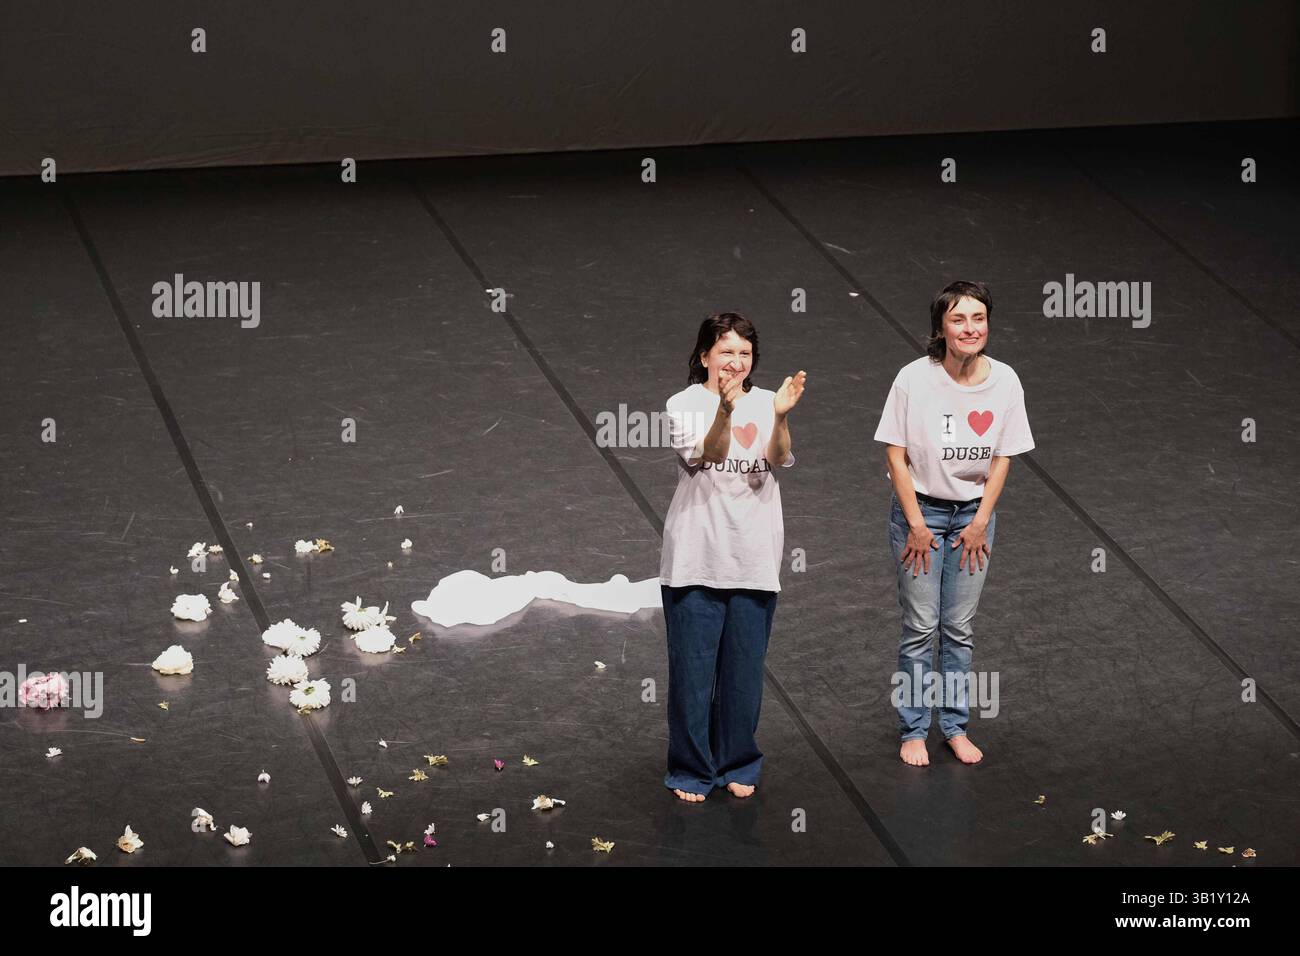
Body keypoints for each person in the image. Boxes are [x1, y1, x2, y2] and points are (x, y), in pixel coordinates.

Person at [872, 281, 1035, 767]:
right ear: (940, 328)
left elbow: (1004, 456)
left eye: (978, 318)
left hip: (972, 518)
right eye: (959, 319)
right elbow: (895, 456)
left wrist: (982, 519)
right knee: (921, 626)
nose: (970, 328)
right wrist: (917, 524)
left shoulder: (1005, 380)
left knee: (959, 627)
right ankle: (914, 730)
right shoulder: (913, 379)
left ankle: (956, 726)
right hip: (920, 514)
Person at [660, 312, 807, 802]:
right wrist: (724, 411)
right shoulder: (682, 404)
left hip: (754, 559)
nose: (736, 361)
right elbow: (708, 455)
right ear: (704, 356)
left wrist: (781, 416)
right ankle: (691, 769)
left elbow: (779, 456)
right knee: (693, 675)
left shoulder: (767, 402)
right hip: (695, 561)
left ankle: (738, 761)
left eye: (744, 353)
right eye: (726, 351)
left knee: (745, 673)